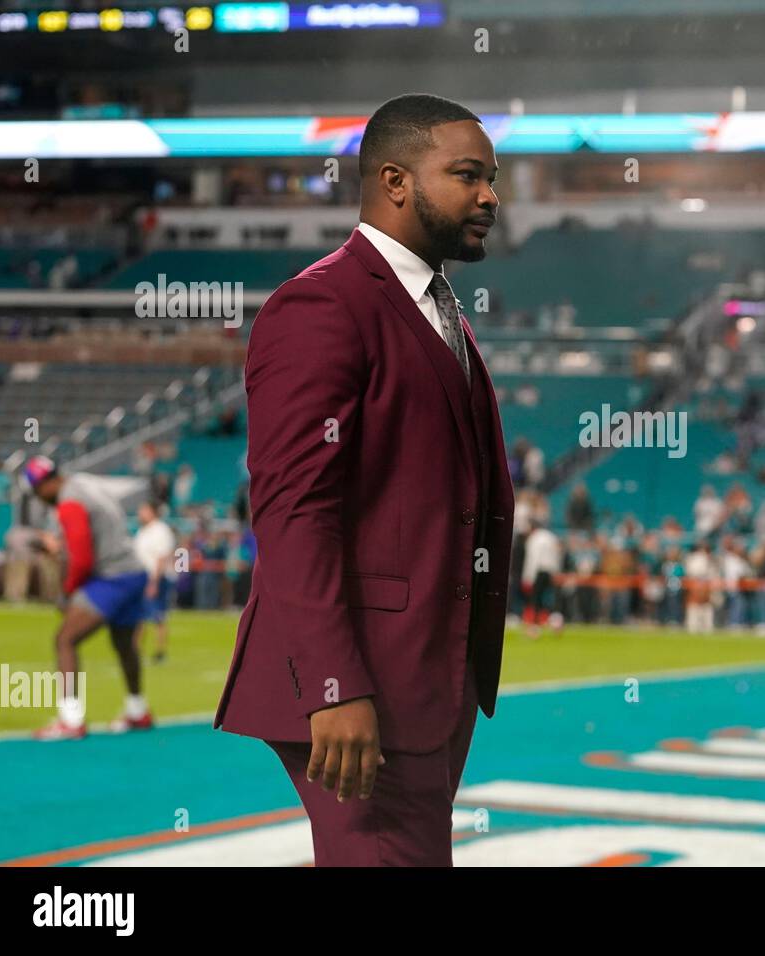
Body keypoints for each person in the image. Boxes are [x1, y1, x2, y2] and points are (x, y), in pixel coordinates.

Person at [214, 93, 515, 867]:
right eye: (468, 175)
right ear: (395, 181)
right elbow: (293, 510)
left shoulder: (440, 309)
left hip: (423, 678)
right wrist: (333, 685)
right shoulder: (322, 304)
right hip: (361, 680)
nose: (490, 196)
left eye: (492, 177)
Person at [24, 456, 154, 739]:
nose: (39, 497)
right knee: (124, 644)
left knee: (65, 640)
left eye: (36, 491)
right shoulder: (83, 483)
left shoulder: (69, 501)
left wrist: (68, 591)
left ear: (45, 485)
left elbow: (82, 559)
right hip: (134, 571)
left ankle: (71, 720)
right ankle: (137, 710)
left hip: (112, 577)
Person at [133, 499, 178, 663]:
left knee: (158, 616)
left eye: (143, 510)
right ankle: (135, 650)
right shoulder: (142, 531)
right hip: (142, 577)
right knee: (138, 616)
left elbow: (161, 557)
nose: (139, 514)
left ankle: (160, 652)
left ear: (152, 511)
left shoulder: (160, 531)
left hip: (156, 578)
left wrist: (154, 582)